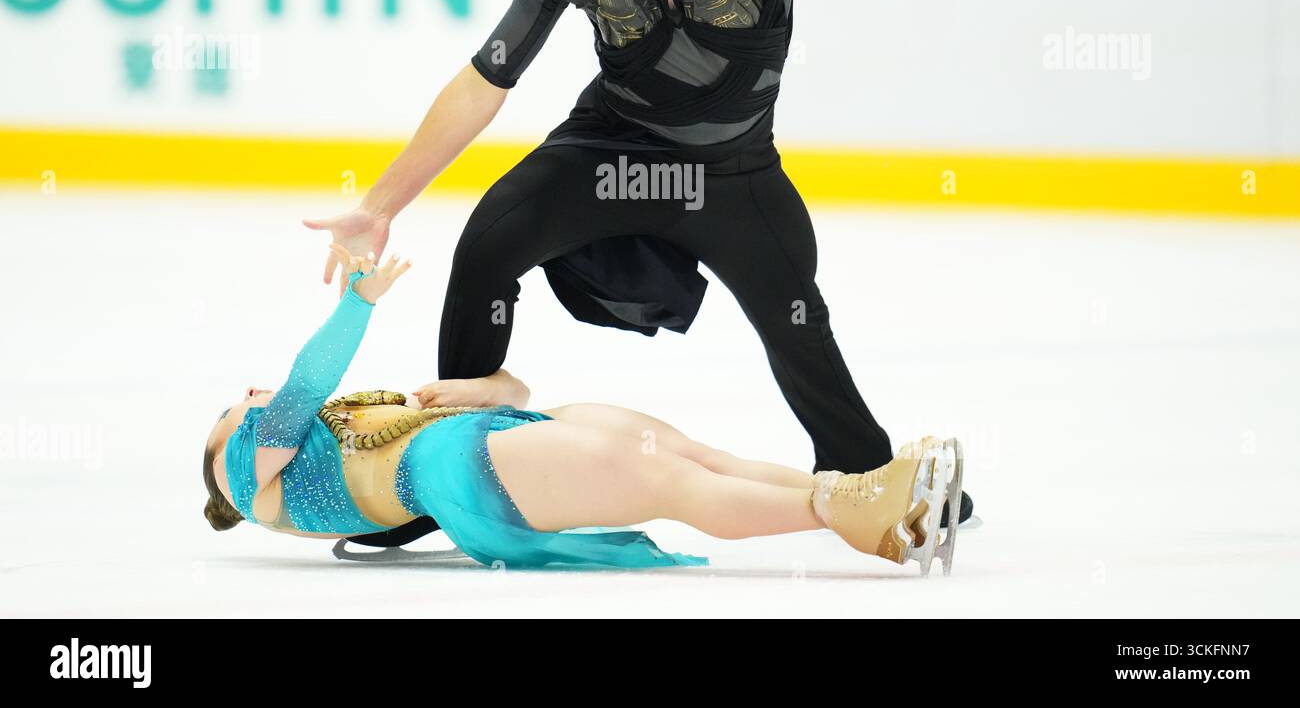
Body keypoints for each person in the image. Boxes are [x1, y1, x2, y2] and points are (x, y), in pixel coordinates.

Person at [303, 0, 975, 549]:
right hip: (610, 149)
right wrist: (382, 202)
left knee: (796, 321)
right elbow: (482, 82)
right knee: (489, 243)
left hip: (731, 173)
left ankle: (873, 480)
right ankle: (445, 469)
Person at [201, 246, 964, 573]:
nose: (243, 401)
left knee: (689, 455)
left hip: (494, 437)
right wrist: (356, 307)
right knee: (671, 484)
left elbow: (516, 395)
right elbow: (300, 389)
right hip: (457, 471)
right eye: (229, 418)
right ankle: (863, 516)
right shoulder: (255, 482)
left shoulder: (342, 429)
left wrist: (483, 392)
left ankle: (867, 494)